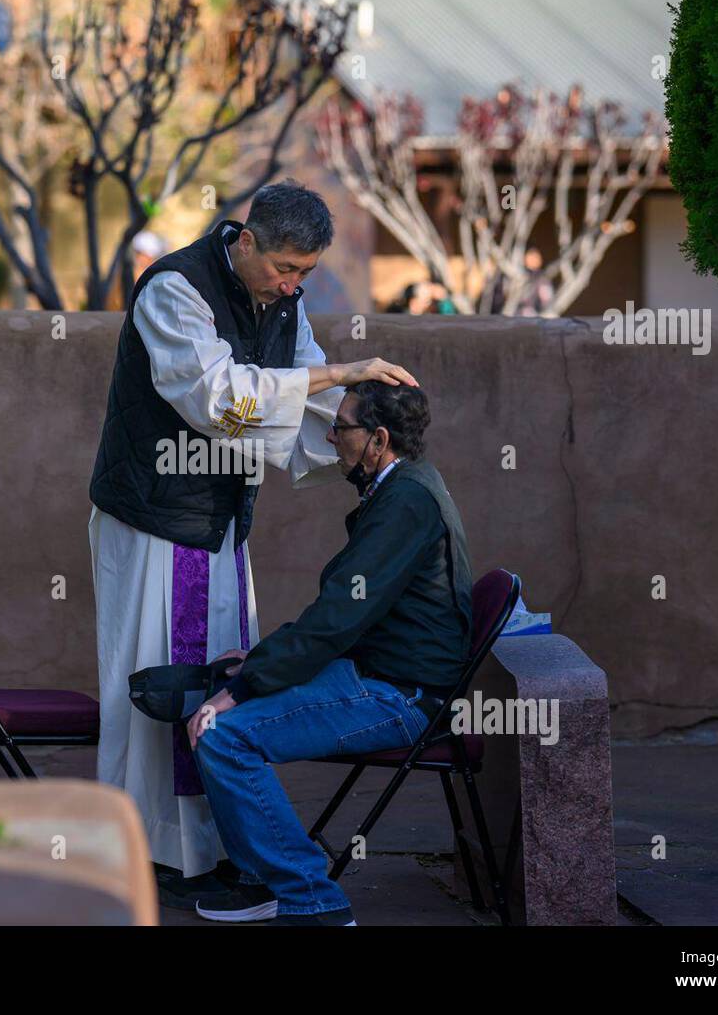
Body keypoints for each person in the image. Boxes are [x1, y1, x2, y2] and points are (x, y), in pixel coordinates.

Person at [88, 179, 418, 907]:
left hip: (221, 522)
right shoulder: (172, 289)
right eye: (284, 269)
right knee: (157, 682)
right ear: (247, 241)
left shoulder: (283, 298)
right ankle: (150, 847)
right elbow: (219, 396)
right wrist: (340, 374)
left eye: (304, 272)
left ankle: (211, 845)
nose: (293, 284)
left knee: (216, 677)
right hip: (156, 520)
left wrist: (372, 436)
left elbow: (306, 389)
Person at [186, 380, 473, 925]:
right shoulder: (402, 489)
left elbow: (340, 615)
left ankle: (311, 898)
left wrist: (246, 685)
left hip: (401, 696)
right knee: (211, 696)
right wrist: (257, 665)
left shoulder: (407, 500)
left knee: (222, 734)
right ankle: (261, 879)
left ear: (378, 439)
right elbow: (342, 614)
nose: (331, 436)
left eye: (341, 427)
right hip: (379, 674)